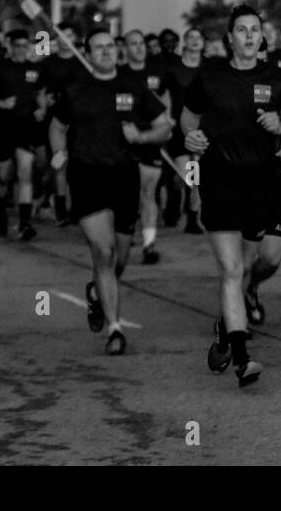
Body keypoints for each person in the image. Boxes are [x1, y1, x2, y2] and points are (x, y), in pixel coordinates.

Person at [181, 5, 281, 386]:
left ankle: (228, 324)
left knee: (265, 259)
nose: (250, 36)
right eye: (242, 30)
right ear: (230, 38)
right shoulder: (210, 76)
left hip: (265, 182)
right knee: (231, 270)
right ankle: (241, 358)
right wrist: (191, 135)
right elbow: (188, 116)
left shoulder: (278, 78)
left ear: (261, 37)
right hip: (220, 180)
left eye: (255, 29)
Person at [49, 28, 171, 355]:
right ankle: (115, 329)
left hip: (123, 174)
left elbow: (165, 125)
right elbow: (57, 126)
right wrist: (58, 153)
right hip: (85, 174)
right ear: (87, 54)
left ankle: (96, 294)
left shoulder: (133, 88)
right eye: (97, 48)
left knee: (119, 256)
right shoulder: (76, 89)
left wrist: (141, 138)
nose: (105, 52)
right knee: (102, 252)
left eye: (109, 47)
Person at [0, 29, 48, 240]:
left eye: (24, 46)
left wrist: (42, 107)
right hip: (3, 126)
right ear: (9, 46)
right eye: (17, 46)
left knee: (25, 173)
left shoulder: (35, 68)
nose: (21, 50)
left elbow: (41, 92)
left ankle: (25, 223)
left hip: (25, 126)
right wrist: (1, 103)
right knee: (3, 176)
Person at [123, 29, 174, 264]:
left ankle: (149, 244)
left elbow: (166, 99)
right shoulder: (119, 75)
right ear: (125, 49)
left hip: (150, 138)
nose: (139, 47)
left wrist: (166, 122)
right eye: (133, 44)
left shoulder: (157, 71)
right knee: (127, 193)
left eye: (141, 43)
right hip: (122, 143)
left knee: (148, 193)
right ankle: (125, 232)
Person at [161, 27, 205, 234]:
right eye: (191, 37)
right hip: (178, 128)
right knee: (185, 173)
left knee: (196, 175)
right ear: (184, 42)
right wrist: (165, 117)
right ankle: (173, 199)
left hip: (201, 128)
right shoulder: (173, 68)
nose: (195, 41)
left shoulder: (208, 68)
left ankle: (192, 217)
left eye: (199, 38)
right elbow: (161, 95)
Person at [42, 23, 84, 226]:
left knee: (76, 167)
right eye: (60, 35)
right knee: (59, 164)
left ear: (74, 37)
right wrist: (43, 103)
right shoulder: (49, 63)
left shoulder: (83, 62)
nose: (64, 39)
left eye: (68, 34)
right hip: (55, 121)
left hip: (79, 122)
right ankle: (59, 209)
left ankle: (76, 208)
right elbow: (39, 90)